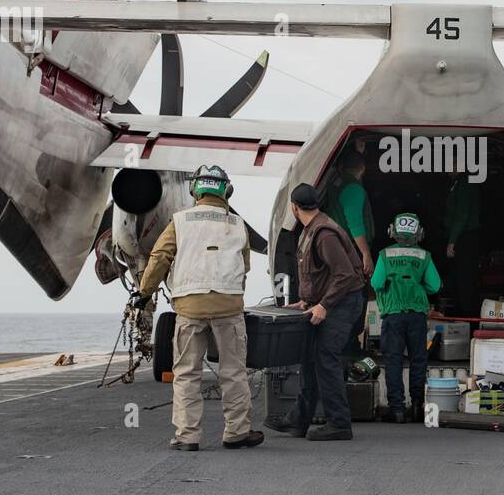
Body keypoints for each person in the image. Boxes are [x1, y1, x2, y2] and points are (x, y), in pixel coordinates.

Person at [135, 165, 262, 452]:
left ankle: (187, 436)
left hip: (189, 306)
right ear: (226, 191)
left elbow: (159, 258)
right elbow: (245, 266)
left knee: (186, 373)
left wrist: (144, 293)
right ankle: (237, 432)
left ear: (195, 189)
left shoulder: (180, 221)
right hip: (229, 305)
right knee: (233, 371)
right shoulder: (237, 224)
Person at [268, 182, 366, 442]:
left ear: (294, 207)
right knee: (311, 359)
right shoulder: (314, 228)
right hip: (332, 301)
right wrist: (306, 301)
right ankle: (299, 420)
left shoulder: (324, 234)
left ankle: (339, 424)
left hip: (342, 303)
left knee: (325, 358)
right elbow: (324, 274)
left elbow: (345, 275)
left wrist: (324, 305)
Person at [370, 212, 442, 423]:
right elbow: (435, 285)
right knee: (418, 360)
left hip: (393, 317)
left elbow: (375, 283)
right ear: (419, 233)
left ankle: (397, 410)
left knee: (393, 361)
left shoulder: (385, 255)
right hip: (417, 317)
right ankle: (418, 407)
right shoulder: (424, 256)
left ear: (392, 231)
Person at [325, 149, 375, 277]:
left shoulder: (339, 181)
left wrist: (358, 151)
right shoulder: (354, 189)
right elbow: (355, 224)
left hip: (338, 242)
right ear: (363, 168)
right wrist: (365, 253)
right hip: (351, 247)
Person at [445, 175, 482, 317]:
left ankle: (466, 318)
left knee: (464, 280)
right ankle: (465, 316)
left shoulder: (465, 183)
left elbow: (462, 214)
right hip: (464, 237)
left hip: (465, 238)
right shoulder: (457, 183)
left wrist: (452, 241)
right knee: (463, 279)